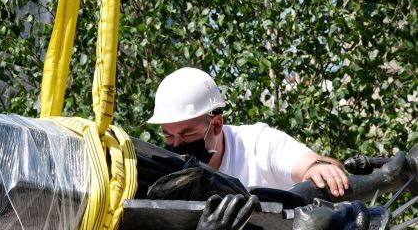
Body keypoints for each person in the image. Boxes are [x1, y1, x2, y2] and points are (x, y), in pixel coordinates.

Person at [148, 67, 349, 197]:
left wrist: (321, 169)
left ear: (216, 124)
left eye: (187, 134)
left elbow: (314, 165)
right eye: (168, 135)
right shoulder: (168, 171)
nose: (176, 144)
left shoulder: (259, 144)